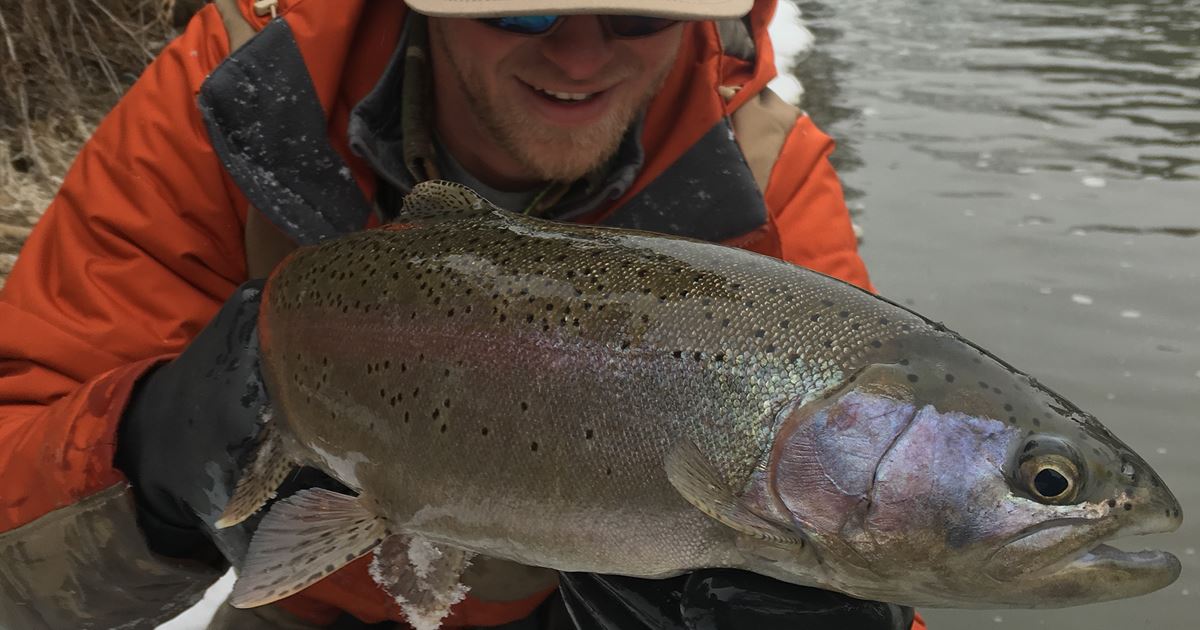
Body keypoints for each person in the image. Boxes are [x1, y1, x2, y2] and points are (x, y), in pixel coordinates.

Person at [0, 0, 924, 628]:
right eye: (517, 7)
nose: (578, 54)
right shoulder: (242, 91)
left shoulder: (763, 177)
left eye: (639, 11)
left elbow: (903, 525)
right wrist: (143, 454)